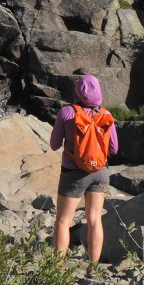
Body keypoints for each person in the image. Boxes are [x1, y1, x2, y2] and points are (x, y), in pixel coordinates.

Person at [50, 74, 118, 262]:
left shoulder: (66, 113)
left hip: (73, 172)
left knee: (63, 221)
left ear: (78, 91)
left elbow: (54, 145)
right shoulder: (106, 114)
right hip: (101, 172)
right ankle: (93, 267)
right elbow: (114, 148)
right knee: (95, 219)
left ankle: (56, 270)